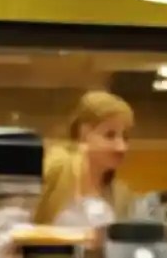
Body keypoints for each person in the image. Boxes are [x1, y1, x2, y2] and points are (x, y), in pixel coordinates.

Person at [35, 90, 136, 225]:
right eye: (109, 135)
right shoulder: (51, 173)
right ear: (82, 134)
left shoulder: (121, 195)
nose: (121, 147)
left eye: (125, 137)